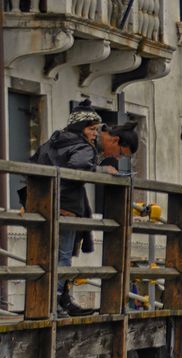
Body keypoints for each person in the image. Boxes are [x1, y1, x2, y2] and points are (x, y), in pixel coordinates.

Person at [24, 101, 103, 315]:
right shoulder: (83, 147)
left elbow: (30, 168)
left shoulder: (51, 143)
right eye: (91, 128)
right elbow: (78, 167)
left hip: (42, 207)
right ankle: (55, 303)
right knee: (63, 256)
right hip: (66, 207)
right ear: (81, 128)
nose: (95, 134)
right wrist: (99, 169)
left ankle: (48, 302)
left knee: (43, 256)